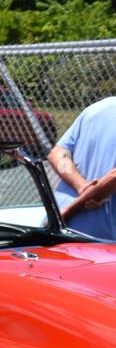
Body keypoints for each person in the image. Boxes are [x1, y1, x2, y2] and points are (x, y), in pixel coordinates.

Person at [47, 95, 116, 240]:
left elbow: (58, 154)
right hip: (101, 240)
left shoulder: (97, 109)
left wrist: (81, 185)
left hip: (59, 224)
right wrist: (68, 212)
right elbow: (112, 179)